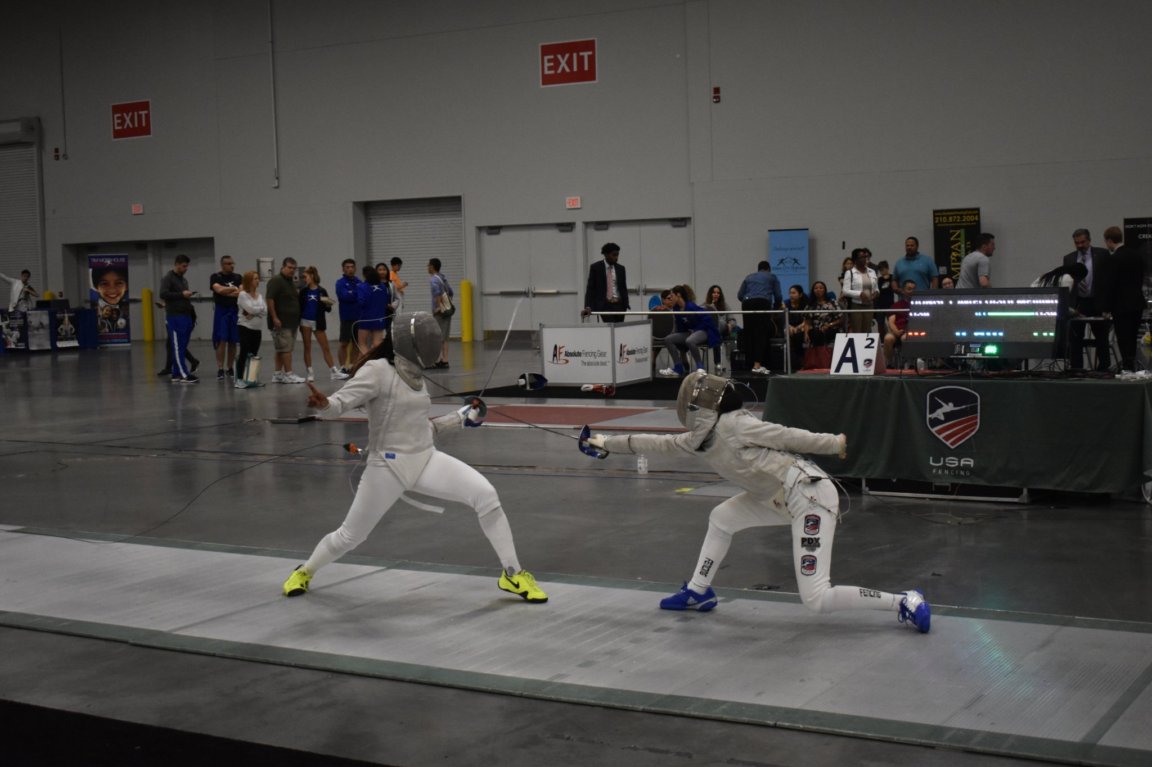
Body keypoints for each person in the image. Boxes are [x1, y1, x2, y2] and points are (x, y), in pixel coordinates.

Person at [582, 371, 930, 633]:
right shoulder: (696, 440)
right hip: (774, 498)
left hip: (809, 496)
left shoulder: (736, 424)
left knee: (816, 598)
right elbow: (652, 443)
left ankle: (905, 601)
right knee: (722, 517)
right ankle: (698, 591)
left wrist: (833, 443)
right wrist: (605, 442)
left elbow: (784, 435)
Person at [282, 311, 548, 606]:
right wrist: (325, 404)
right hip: (387, 467)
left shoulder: (416, 376)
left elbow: (424, 428)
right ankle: (305, 571)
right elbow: (340, 403)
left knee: (486, 495)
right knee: (350, 536)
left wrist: (462, 416)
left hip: (425, 460)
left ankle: (512, 573)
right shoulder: (377, 370)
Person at [1062, 228, 1111, 372]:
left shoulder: (1102, 254)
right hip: (1079, 302)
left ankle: (1104, 367)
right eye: (1077, 243)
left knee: (1101, 336)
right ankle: (1076, 367)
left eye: (1082, 242)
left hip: (1097, 301)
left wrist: (1108, 304)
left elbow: (1108, 278)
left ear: (1089, 240)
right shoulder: (1069, 258)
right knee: (1075, 337)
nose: (1080, 246)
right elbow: (1067, 282)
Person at [1100, 226, 1147, 373]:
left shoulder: (1114, 259)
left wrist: (1106, 308)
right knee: (1133, 337)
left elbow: (1111, 285)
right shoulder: (1137, 256)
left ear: (1109, 240)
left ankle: (1127, 367)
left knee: (1123, 337)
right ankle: (1133, 364)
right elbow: (1140, 279)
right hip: (1137, 303)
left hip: (1121, 306)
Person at [298, 265, 348, 382]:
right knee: (307, 347)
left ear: (312, 276)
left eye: (305, 276)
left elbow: (327, 309)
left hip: (318, 322)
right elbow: (299, 306)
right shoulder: (303, 291)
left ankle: (333, 371)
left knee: (325, 347)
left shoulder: (321, 291)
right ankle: (310, 372)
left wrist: (328, 304)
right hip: (305, 321)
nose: (304, 279)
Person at [658, 285, 720, 377]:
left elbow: (707, 318)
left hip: (703, 330)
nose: (671, 298)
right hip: (691, 332)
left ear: (678, 295)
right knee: (668, 339)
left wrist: (695, 330)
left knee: (690, 340)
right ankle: (678, 368)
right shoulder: (676, 308)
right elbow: (681, 326)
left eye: (672, 295)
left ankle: (700, 367)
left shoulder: (691, 306)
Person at [736, 261, 782, 375]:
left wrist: (749, 300)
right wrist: (775, 309)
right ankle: (757, 365)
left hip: (747, 303)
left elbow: (740, 295)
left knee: (749, 333)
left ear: (758, 269)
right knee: (761, 333)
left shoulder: (749, 277)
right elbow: (778, 296)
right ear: (768, 269)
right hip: (762, 302)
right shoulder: (772, 276)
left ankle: (750, 364)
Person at [266, 257, 305, 384]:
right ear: (283, 267)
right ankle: (289, 374)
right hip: (281, 322)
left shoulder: (290, 282)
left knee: (281, 349)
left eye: (294, 268)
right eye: (289, 268)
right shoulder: (276, 281)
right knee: (286, 349)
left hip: (291, 322)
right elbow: (270, 299)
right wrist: (274, 318)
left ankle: (277, 374)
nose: (292, 270)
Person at [159, 254, 198, 383]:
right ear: (176, 264)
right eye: (183, 266)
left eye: (187, 266)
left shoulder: (183, 280)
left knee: (182, 345)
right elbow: (163, 293)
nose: (186, 268)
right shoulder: (168, 278)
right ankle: (184, 374)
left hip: (185, 315)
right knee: (177, 346)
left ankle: (176, 373)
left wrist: (186, 295)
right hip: (175, 317)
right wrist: (181, 294)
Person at [209, 255, 242, 380]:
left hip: (234, 311)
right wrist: (233, 289)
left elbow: (241, 293)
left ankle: (230, 367)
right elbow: (219, 290)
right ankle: (220, 368)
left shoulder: (238, 277)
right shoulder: (215, 277)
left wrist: (226, 291)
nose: (231, 266)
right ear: (222, 265)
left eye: (232, 263)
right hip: (221, 312)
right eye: (228, 264)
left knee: (233, 341)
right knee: (221, 340)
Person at [582, 242, 629, 323]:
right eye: (614, 255)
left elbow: (623, 288)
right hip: (605, 305)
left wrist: (625, 304)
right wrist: (588, 306)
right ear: (606, 255)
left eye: (617, 255)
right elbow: (590, 288)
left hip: (619, 305)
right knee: (611, 326)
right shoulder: (596, 268)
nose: (616, 258)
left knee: (619, 328)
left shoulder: (621, 268)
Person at [235, 270, 267, 388]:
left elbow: (265, 311)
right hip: (245, 327)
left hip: (257, 329)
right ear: (249, 281)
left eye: (258, 278)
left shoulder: (260, 295)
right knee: (244, 353)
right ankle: (239, 379)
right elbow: (252, 309)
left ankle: (252, 379)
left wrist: (254, 311)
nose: (258, 281)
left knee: (254, 355)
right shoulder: (242, 295)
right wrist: (256, 311)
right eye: (255, 279)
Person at [841, 248, 878, 333]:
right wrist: (859, 294)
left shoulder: (872, 271)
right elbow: (845, 291)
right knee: (857, 330)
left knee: (868, 330)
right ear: (855, 260)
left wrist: (876, 292)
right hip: (857, 305)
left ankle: (865, 346)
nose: (865, 259)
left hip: (870, 305)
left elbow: (876, 287)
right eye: (861, 257)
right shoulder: (849, 273)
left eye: (865, 257)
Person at [703, 284, 738, 372]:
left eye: (718, 293)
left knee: (721, 323)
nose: (716, 294)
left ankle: (718, 363)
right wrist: (711, 306)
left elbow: (733, 320)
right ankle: (717, 363)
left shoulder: (724, 305)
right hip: (711, 331)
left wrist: (730, 324)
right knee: (716, 333)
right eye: (714, 292)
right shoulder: (705, 305)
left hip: (724, 329)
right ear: (710, 294)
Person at [356, 265, 390, 356]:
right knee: (377, 344)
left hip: (365, 318)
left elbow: (361, 303)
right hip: (379, 318)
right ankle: (377, 363)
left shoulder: (362, 287)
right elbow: (386, 302)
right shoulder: (383, 287)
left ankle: (365, 364)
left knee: (362, 344)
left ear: (364, 275)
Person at [334, 258, 361, 372]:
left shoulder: (359, 281)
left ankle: (352, 366)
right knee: (344, 342)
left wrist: (352, 292)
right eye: (347, 267)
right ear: (343, 269)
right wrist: (355, 293)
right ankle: (343, 367)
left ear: (355, 268)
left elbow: (362, 296)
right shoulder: (340, 283)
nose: (350, 269)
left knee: (356, 344)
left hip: (358, 317)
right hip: (346, 317)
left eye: (352, 267)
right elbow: (344, 297)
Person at [883, 279, 916, 367]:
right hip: (896, 331)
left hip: (910, 332)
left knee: (906, 338)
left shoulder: (918, 305)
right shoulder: (896, 305)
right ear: (903, 290)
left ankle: (910, 364)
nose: (911, 291)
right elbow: (891, 322)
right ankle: (889, 364)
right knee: (888, 338)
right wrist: (896, 332)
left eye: (913, 289)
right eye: (909, 289)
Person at [428, 258, 453, 368]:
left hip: (440, 312)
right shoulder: (443, 277)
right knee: (445, 336)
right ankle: (445, 360)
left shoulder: (434, 280)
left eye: (428, 265)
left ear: (432, 267)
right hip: (447, 310)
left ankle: (434, 360)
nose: (427, 267)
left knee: (437, 336)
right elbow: (451, 292)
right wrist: (447, 304)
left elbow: (437, 293)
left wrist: (438, 307)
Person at [783, 284, 808, 373]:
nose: (791, 295)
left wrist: (798, 327)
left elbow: (807, 320)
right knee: (789, 334)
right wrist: (789, 326)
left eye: (793, 293)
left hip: (802, 326)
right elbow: (783, 319)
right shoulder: (785, 303)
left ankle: (801, 363)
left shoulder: (805, 304)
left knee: (799, 335)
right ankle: (792, 364)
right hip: (788, 326)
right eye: (790, 293)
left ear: (800, 294)